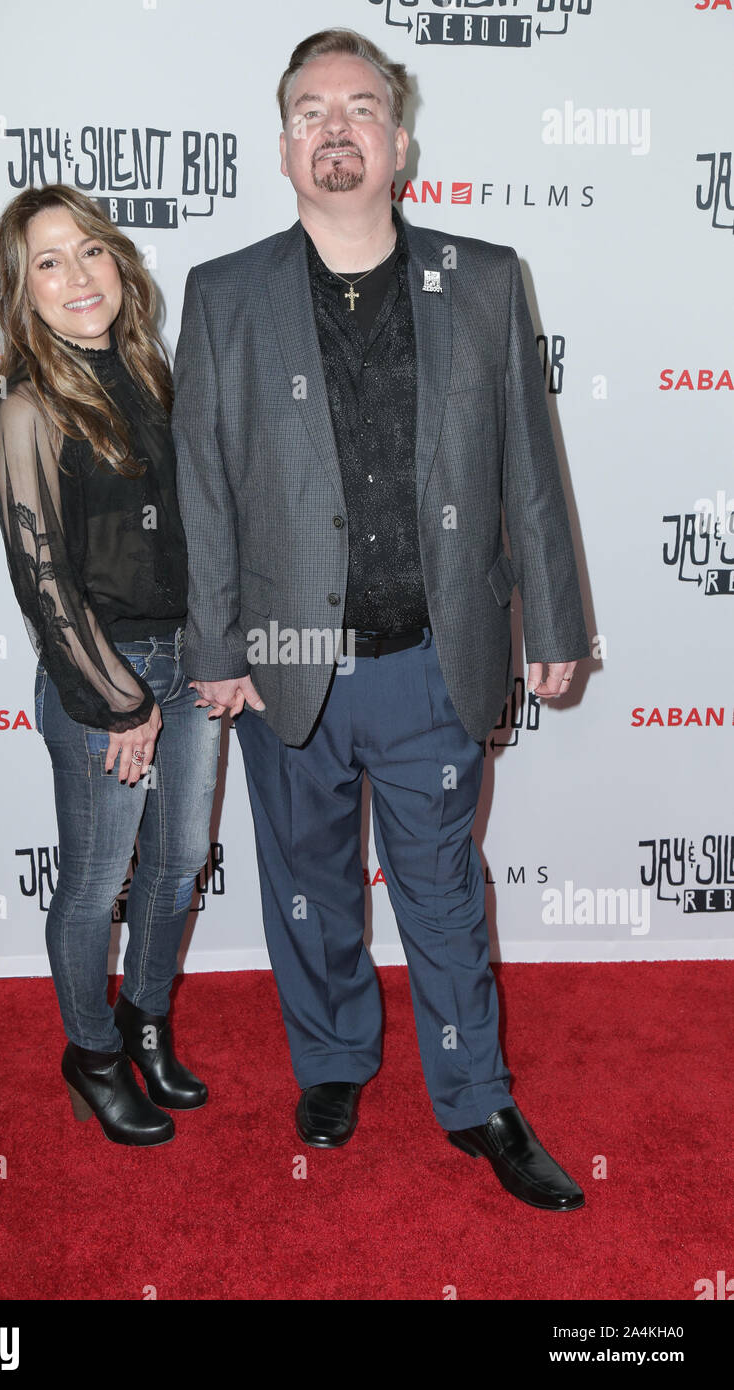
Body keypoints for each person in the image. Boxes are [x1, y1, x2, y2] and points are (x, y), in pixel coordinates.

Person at [173, 29, 590, 1209]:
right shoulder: (224, 293)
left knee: (442, 889)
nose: (337, 125)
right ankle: (335, 1062)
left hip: (432, 653)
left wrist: (552, 621)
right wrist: (213, 649)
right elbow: (201, 481)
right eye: (311, 109)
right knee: (304, 876)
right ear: (286, 145)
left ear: (399, 140)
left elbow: (529, 469)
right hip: (286, 663)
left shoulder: (487, 278)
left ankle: (477, 1099)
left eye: (361, 105)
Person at [0, 184, 220, 1147]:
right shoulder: (27, 410)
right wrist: (122, 702)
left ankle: (145, 1020)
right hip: (100, 682)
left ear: (119, 261)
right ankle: (93, 1054)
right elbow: (42, 581)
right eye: (48, 261)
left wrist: (217, 648)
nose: (77, 276)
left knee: (177, 865)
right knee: (92, 885)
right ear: (21, 290)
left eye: (89, 252)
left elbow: (204, 532)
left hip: (193, 664)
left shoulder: (155, 377)